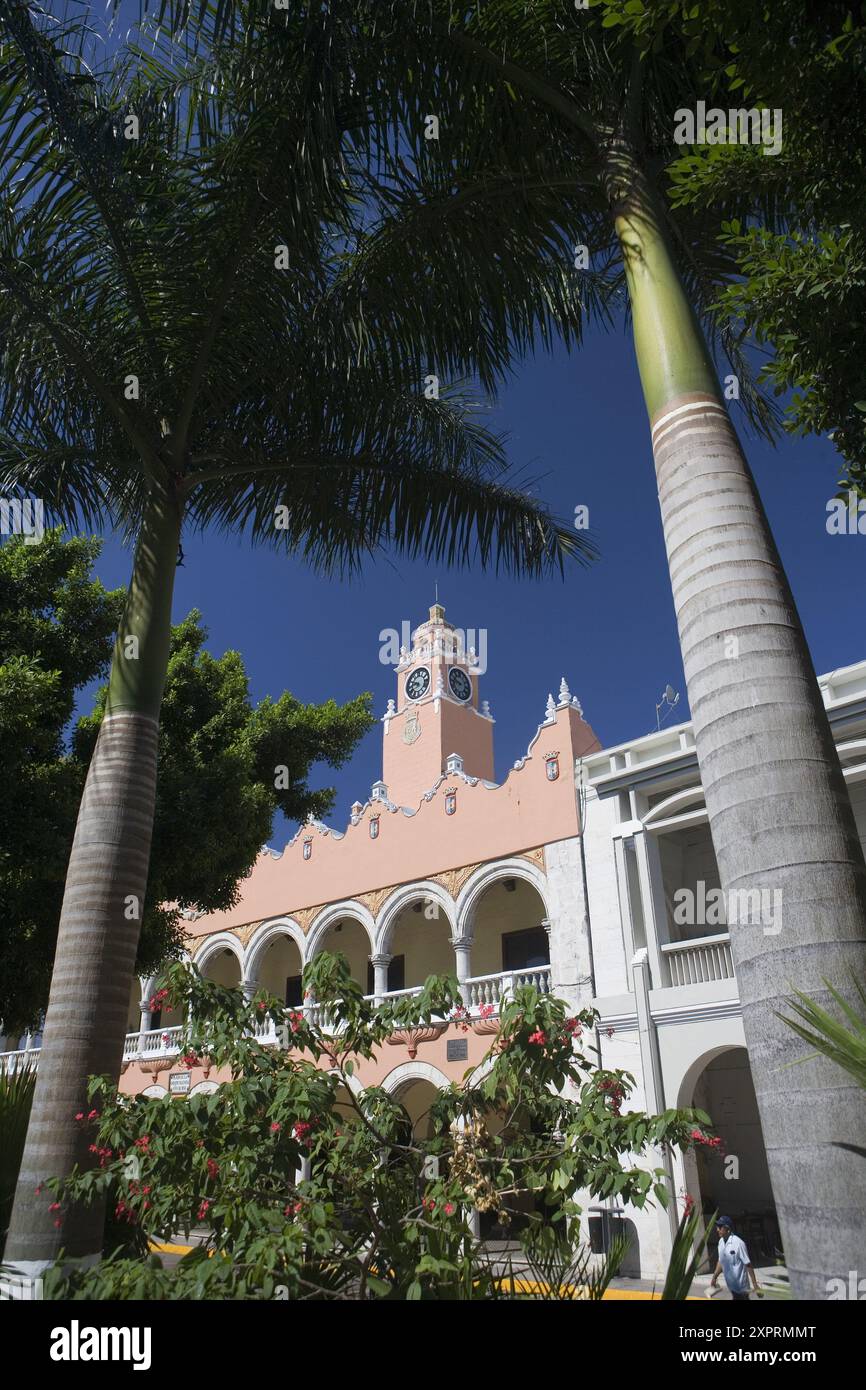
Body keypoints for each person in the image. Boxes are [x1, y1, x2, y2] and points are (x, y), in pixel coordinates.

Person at [709, 1216, 761, 1300]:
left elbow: (748, 1264)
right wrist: (714, 1277)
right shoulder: (721, 1242)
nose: (717, 1229)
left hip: (742, 1288)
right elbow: (721, 1262)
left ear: (728, 1229)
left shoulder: (738, 1243)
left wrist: (755, 1285)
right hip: (732, 1287)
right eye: (717, 1227)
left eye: (720, 1227)